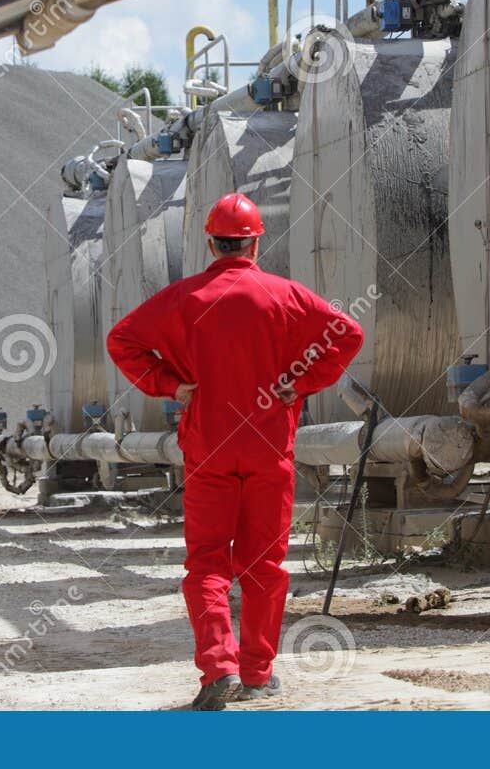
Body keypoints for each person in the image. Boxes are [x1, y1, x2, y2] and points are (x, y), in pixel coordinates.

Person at [106, 192, 364, 710]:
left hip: (210, 449)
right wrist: (301, 382)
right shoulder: (285, 295)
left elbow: (121, 340)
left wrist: (170, 385)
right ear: (254, 244)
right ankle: (258, 673)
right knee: (264, 565)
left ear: (210, 242)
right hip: (270, 448)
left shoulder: (184, 298)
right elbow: (349, 333)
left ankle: (217, 667)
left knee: (206, 565)